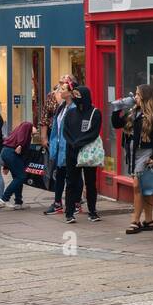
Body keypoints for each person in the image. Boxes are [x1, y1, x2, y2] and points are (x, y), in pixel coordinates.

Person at [113, 84, 153, 234]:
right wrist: (117, 109)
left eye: (137, 95)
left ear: (145, 97)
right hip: (133, 153)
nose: (134, 97)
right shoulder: (133, 111)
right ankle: (148, 221)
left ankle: (135, 221)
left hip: (146, 152)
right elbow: (116, 124)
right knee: (144, 186)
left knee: (137, 185)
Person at [63, 84, 102, 224]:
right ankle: (69, 212)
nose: (75, 97)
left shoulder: (95, 113)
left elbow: (93, 132)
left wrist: (78, 142)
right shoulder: (70, 113)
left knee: (90, 182)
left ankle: (92, 211)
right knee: (71, 182)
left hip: (87, 152)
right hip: (71, 152)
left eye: (78, 95)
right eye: (74, 94)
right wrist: (72, 143)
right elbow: (65, 131)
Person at [43, 85, 70, 216]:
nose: (57, 92)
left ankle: (74, 204)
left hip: (69, 148)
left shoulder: (73, 108)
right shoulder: (61, 107)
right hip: (59, 147)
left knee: (72, 177)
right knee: (59, 174)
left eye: (62, 89)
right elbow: (53, 126)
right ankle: (58, 203)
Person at [0, 120, 36, 209]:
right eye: (36, 130)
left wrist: (6, 166)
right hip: (11, 153)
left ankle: (18, 202)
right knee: (21, 177)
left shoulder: (21, 130)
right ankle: (4, 198)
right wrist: (20, 145)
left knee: (18, 177)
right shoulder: (27, 125)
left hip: (8, 152)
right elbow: (21, 136)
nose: (35, 133)